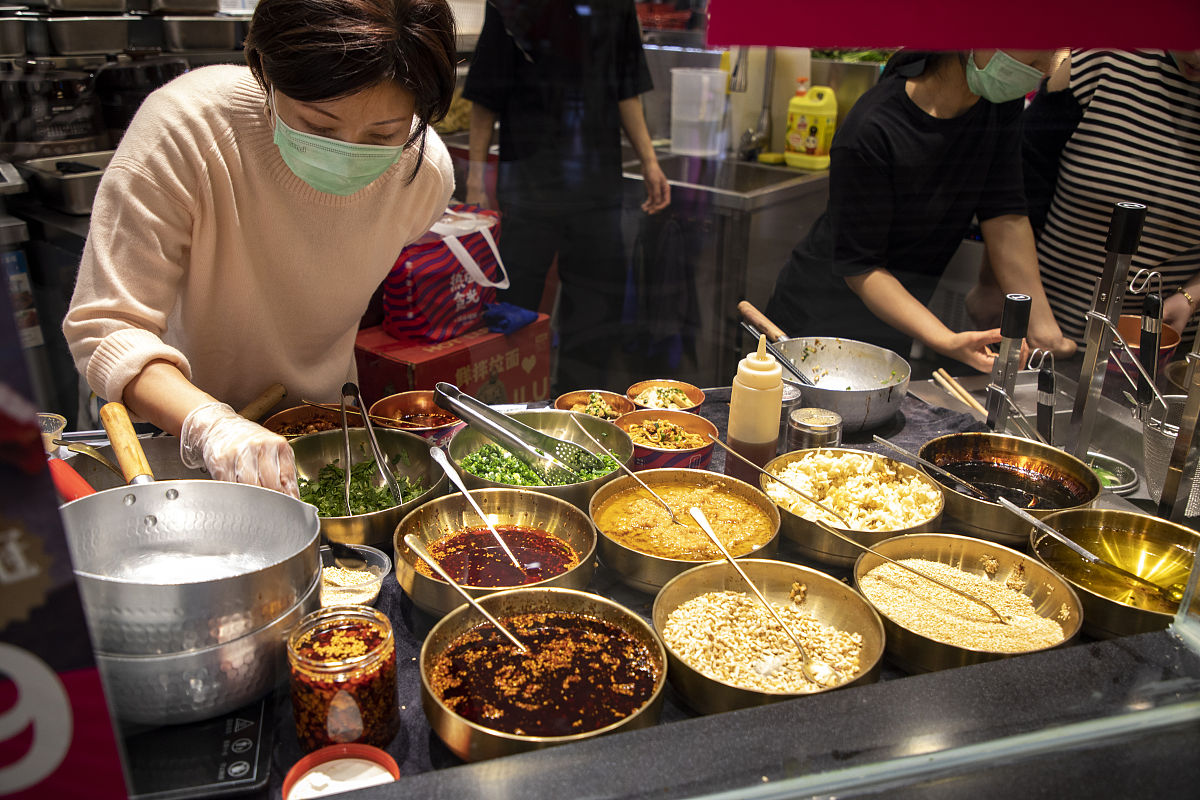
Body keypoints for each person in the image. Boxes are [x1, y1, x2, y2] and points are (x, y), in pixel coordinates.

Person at [62, 0, 457, 497]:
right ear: (265, 71)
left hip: (322, 435)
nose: (347, 154)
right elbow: (107, 327)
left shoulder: (424, 176)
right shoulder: (187, 129)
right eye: (318, 127)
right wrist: (210, 425)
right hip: (171, 429)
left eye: (383, 135)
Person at [766, 50, 1076, 374]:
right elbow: (861, 268)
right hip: (817, 324)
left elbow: (1005, 213)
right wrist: (946, 339)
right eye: (1035, 60)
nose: (1047, 70)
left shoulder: (998, 105)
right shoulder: (872, 127)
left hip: (893, 327)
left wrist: (1044, 331)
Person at [462, 0, 669, 390]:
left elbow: (626, 88)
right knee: (512, 314)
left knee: (595, 322)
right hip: (529, 187)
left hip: (597, 189)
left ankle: (580, 409)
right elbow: (486, 94)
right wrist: (475, 180)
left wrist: (649, 161)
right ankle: (506, 409)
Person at [1016, 49, 1200, 349]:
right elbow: (1018, 184)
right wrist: (996, 284)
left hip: (1160, 348)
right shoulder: (1100, 61)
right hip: (1044, 326)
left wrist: (1192, 296)